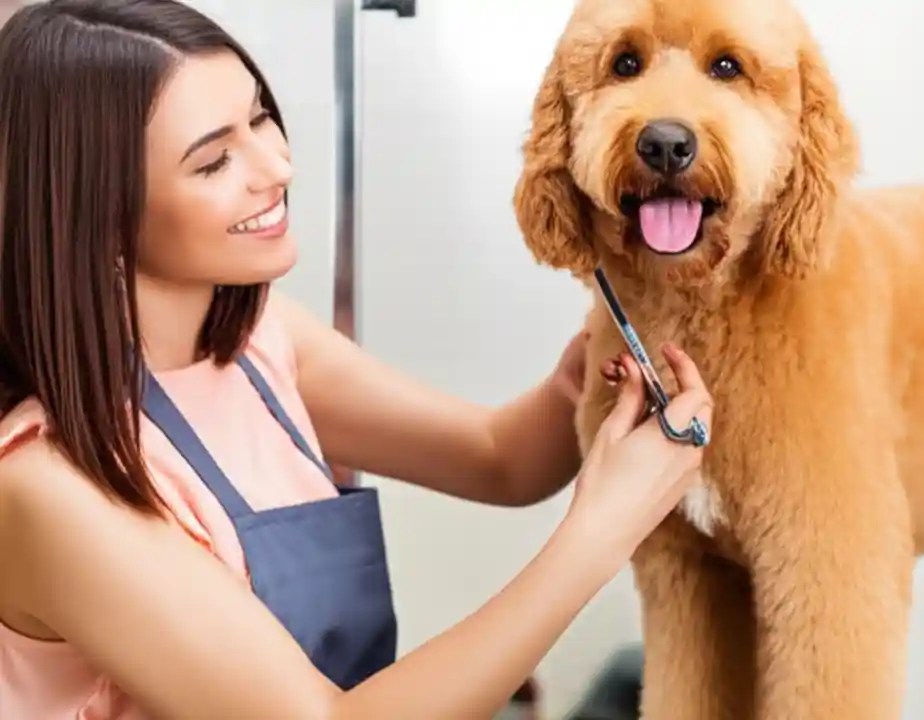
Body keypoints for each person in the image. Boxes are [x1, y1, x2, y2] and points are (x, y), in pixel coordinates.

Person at [0, 1, 712, 718]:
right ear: (93, 211)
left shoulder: (261, 345)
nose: (277, 166)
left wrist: (578, 382)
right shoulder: (45, 487)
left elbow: (497, 457)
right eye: (215, 160)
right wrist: (605, 526)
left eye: (259, 118)